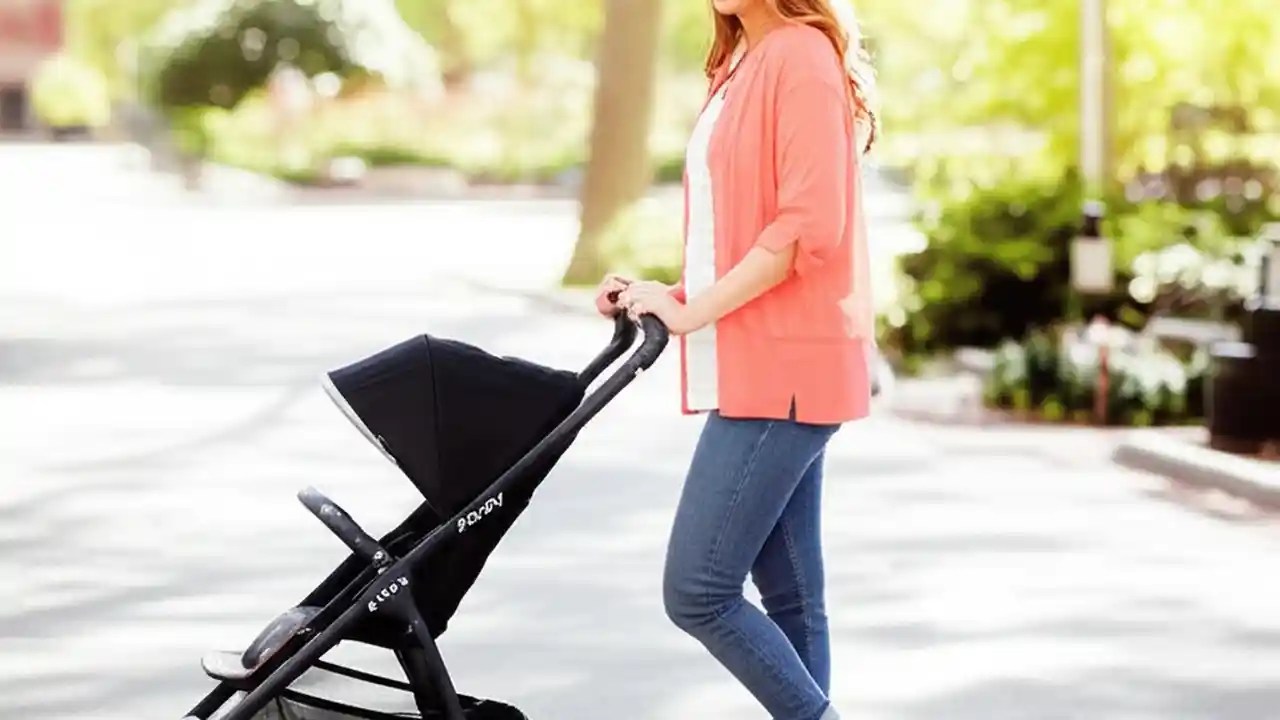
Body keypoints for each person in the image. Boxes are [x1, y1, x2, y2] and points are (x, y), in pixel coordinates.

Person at [594, 1, 879, 718]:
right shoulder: (738, 62)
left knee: (697, 589)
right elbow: (739, 231)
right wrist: (664, 292)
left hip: (789, 369)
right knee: (789, 594)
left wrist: (691, 312)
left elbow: (806, 227)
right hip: (757, 365)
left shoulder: (800, 55)